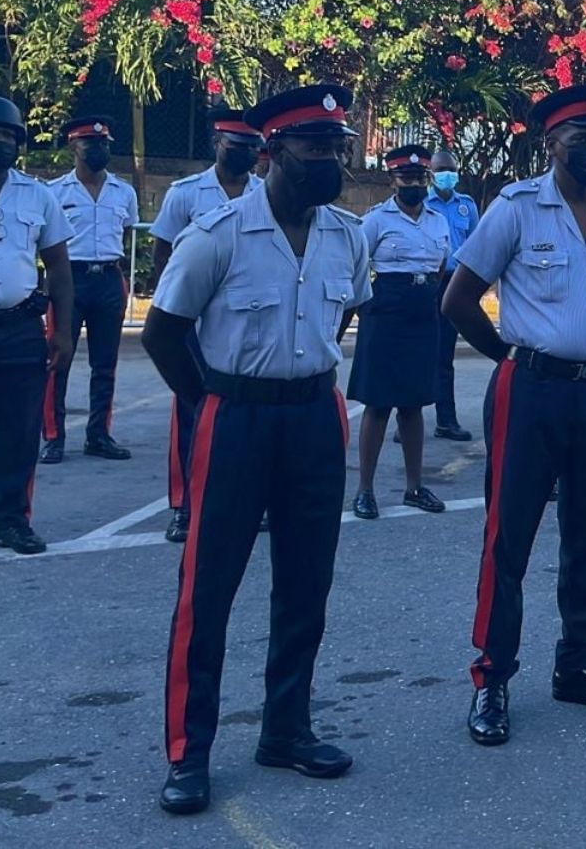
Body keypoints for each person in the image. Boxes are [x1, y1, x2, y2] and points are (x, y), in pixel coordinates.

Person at [143, 83, 370, 815]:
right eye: (314, 146)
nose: (330, 158)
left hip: (314, 418)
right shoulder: (218, 233)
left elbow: (338, 319)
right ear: (272, 153)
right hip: (235, 417)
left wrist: (299, 373)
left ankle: (286, 729)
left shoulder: (348, 235)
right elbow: (163, 332)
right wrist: (210, 401)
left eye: (337, 146)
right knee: (208, 590)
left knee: (306, 585)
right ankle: (189, 753)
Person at [442, 86, 586, 746]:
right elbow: (458, 299)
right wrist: (511, 357)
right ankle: (492, 676)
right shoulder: (516, 207)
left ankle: (579, 662)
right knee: (510, 537)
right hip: (530, 390)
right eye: (580, 138)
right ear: (551, 144)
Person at [150, 108, 264, 544]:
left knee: (249, 412)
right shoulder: (186, 194)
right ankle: (184, 506)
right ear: (217, 144)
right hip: (196, 318)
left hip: (247, 317)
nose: (246, 154)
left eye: (253, 147)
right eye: (237, 146)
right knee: (192, 408)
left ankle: (248, 501)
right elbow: (163, 253)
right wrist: (177, 305)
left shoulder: (265, 193)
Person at [0, 97, 72, 555]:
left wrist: (63, 331)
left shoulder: (38, 195)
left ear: (18, 142)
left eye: (4, 135)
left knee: (17, 434)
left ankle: (13, 522)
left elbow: (58, 265)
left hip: (19, 330)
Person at [345, 144, 451, 520]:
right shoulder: (375, 220)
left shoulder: (438, 221)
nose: (414, 184)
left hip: (423, 313)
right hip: (385, 312)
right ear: (393, 180)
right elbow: (356, 268)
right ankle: (365, 490)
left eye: (420, 178)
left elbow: (440, 267)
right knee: (377, 404)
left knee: (414, 404)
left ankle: (414, 487)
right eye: (406, 178)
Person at [41, 115, 138, 464]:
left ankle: (98, 435)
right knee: (58, 358)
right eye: (90, 143)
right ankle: (54, 437)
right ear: (74, 146)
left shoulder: (124, 191)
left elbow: (125, 230)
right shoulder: (54, 193)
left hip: (108, 279)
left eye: (103, 144)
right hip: (70, 279)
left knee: (105, 363)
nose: (98, 149)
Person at [422, 148, 479, 441]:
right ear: (431, 174)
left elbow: (477, 245)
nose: (447, 175)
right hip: (425, 283)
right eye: (441, 170)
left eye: (451, 170)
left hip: (453, 284)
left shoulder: (466, 206)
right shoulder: (420, 203)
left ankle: (446, 420)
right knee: (416, 352)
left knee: (444, 355)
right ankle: (408, 417)